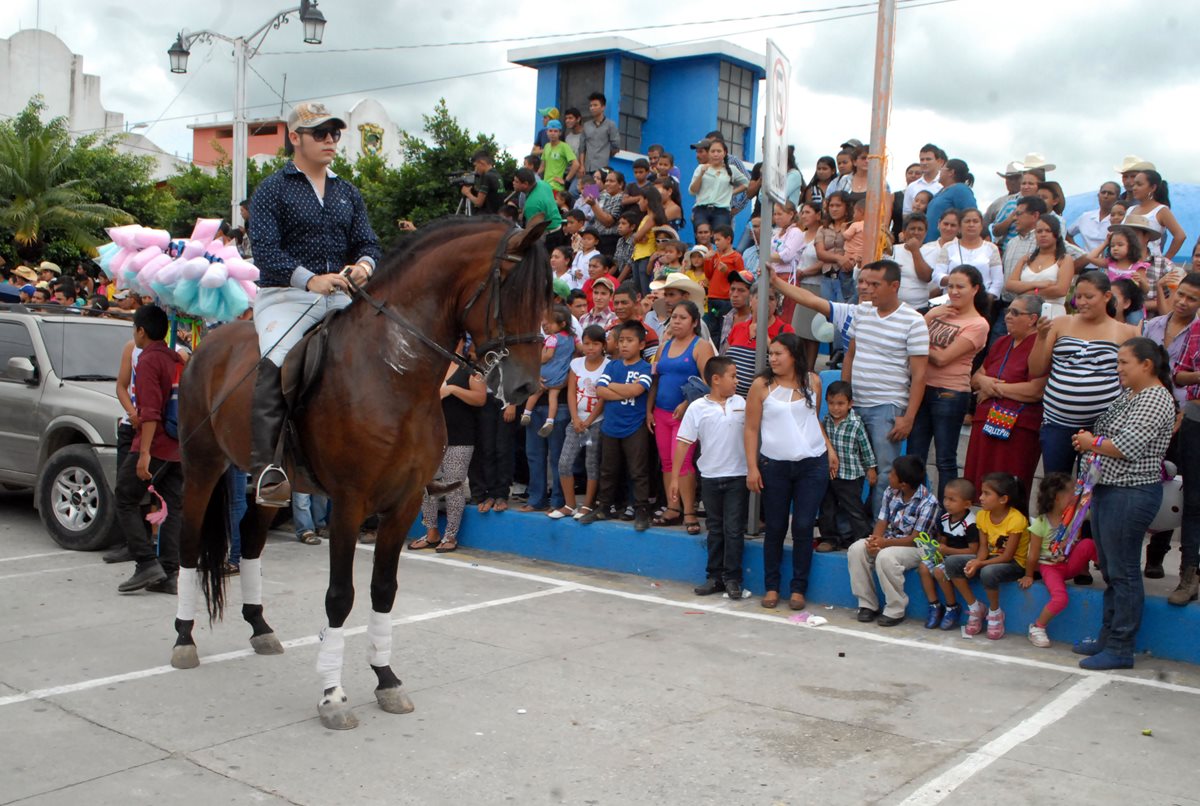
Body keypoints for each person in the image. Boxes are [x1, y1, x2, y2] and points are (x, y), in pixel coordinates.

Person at [247, 102, 381, 507]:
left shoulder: (347, 192)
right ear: (294, 137)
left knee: (385, 351)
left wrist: (364, 265)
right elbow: (266, 252)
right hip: (286, 297)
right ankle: (267, 468)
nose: (329, 141)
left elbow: (368, 242)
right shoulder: (272, 188)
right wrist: (311, 279)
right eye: (320, 134)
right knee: (277, 359)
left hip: (341, 296)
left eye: (334, 134)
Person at [1072, 337, 1176, 669]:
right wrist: (1091, 442)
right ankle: (1109, 636)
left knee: (1123, 571)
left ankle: (1120, 646)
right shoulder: (1133, 394)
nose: (1118, 369)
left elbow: (1126, 445)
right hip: (1109, 489)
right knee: (1112, 569)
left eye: (1123, 363)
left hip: (1130, 493)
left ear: (1146, 365)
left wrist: (1092, 442)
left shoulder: (1156, 398)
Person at [745, 333, 834, 610]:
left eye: (778, 354)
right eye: (770, 354)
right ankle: (772, 587)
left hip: (812, 464)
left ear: (794, 355)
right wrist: (751, 467)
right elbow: (750, 428)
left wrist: (829, 449)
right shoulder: (761, 386)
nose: (772, 359)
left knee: (804, 525)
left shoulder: (813, 381)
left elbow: (813, 420)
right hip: (775, 465)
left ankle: (799, 588)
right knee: (774, 526)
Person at [843, 259, 930, 515]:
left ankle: (876, 528)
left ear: (894, 286)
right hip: (855, 404)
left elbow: (920, 374)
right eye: (865, 282)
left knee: (884, 473)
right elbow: (850, 355)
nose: (867, 288)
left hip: (887, 406)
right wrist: (846, 397)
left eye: (875, 284)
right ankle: (847, 527)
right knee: (851, 470)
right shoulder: (862, 311)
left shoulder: (913, 321)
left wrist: (908, 417)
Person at [1031, 271, 1139, 475]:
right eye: (1078, 297)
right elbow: (1036, 369)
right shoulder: (1061, 323)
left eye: (1089, 297)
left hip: (1101, 425)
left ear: (1107, 296)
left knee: (1091, 488)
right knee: (1055, 484)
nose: (1082, 302)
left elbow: (1135, 380)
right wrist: (1040, 337)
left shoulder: (1127, 331)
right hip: (1057, 422)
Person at [114, 305, 184, 594]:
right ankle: (169, 573)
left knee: (125, 497)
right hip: (177, 446)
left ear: (141, 331)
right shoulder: (177, 359)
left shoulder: (148, 361)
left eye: (134, 329)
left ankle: (145, 562)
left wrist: (144, 454)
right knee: (173, 508)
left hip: (154, 444)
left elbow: (151, 412)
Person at [909, 265, 989, 498]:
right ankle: (917, 509)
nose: (953, 291)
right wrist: (929, 317)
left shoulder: (979, 324)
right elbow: (911, 339)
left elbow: (943, 358)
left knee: (945, 458)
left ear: (975, 289)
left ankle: (947, 516)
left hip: (950, 393)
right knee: (915, 456)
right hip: (923, 387)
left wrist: (920, 344)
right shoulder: (939, 312)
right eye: (950, 286)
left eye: (960, 287)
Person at [672, 357, 748, 598]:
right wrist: (675, 477)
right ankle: (714, 576)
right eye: (733, 376)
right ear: (716, 379)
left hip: (737, 476)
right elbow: (683, 444)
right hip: (711, 477)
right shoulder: (697, 408)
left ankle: (733, 578)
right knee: (715, 528)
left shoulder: (742, 403)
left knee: (734, 529)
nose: (737, 381)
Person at [964, 294, 1047, 499]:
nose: (1008, 316)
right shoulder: (1002, 342)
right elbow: (976, 377)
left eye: (1015, 312)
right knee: (978, 480)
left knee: (1006, 486)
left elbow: (1035, 390)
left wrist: (994, 387)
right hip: (986, 421)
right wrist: (985, 382)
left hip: (1017, 427)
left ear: (1033, 319)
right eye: (1008, 311)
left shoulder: (1040, 345)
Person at [847, 454, 940, 626]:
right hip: (891, 540)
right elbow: (882, 520)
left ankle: (895, 609)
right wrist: (875, 541)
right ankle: (867, 605)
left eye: (893, 474)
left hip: (920, 548)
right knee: (856, 549)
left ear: (903, 483)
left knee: (886, 557)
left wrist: (884, 544)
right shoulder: (891, 491)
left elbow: (915, 539)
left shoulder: (929, 502)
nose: (889, 476)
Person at [579, 321, 654, 531]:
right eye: (621, 340)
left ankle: (641, 510)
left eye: (629, 341)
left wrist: (613, 387)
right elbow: (600, 391)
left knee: (638, 471)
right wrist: (624, 389)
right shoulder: (612, 365)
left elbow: (637, 391)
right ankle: (603, 506)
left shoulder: (645, 367)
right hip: (610, 425)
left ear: (641, 344)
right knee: (607, 470)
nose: (624, 345)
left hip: (634, 426)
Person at [647, 301, 713, 533]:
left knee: (683, 462)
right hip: (661, 413)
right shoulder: (663, 346)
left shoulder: (700, 346)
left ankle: (689, 512)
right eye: (674, 316)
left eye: (682, 317)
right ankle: (673, 507)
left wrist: (686, 404)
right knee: (666, 462)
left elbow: (708, 381)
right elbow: (655, 380)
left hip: (686, 415)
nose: (676, 321)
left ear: (694, 322)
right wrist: (649, 410)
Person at [942, 472, 1030, 640]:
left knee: (988, 572)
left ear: (1003, 499)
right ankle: (975, 607)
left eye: (987, 494)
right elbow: (983, 548)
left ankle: (995, 612)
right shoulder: (982, 515)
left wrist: (980, 564)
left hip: (1013, 563)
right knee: (952, 563)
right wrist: (977, 560)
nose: (981, 497)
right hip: (990, 558)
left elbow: (1007, 556)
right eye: (982, 492)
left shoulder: (1016, 520)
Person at [1022, 472, 1098, 648]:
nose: (1076, 495)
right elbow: (1032, 555)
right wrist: (1028, 575)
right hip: (1050, 568)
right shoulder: (1040, 523)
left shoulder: (1073, 517)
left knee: (1088, 544)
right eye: (1072, 492)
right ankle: (1037, 627)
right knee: (1060, 599)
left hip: (1069, 565)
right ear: (1057, 498)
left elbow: (1088, 505)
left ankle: (1110, 572)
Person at [552, 325, 607, 521]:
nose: (590, 347)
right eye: (586, 343)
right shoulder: (576, 364)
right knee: (564, 462)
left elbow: (603, 398)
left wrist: (589, 420)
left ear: (603, 345)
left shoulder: (608, 365)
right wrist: (575, 418)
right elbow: (571, 392)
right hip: (576, 422)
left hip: (597, 422)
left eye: (595, 343)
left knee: (591, 464)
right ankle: (569, 504)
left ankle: (587, 505)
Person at [816, 380, 877, 552]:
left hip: (851, 476)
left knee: (853, 509)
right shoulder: (826, 422)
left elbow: (865, 448)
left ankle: (862, 539)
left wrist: (870, 469)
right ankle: (830, 539)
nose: (836, 408)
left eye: (841, 403)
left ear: (851, 404)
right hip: (831, 474)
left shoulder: (856, 424)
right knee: (827, 508)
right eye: (831, 403)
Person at [916, 478, 979, 630]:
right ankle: (935, 605)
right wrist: (933, 548)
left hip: (961, 559)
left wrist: (947, 550)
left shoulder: (971, 524)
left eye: (952, 500)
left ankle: (952, 607)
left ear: (967, 504)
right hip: (945, 556)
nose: (947, 503)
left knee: (939, 571)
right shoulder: (944, 519)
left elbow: (973, 551)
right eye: (945, 498)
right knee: (923, 567)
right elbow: (942, 542)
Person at [994, 195, 1047, 336]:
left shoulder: (1044, 242)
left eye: (1018, 214)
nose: (1014, 218)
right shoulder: (1011, 243)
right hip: (1006, 306)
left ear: (1035, 215)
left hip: (1028, 311)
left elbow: (1080, 256)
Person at [520, 305, 575, 440]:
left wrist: (537, 359)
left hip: (546, 373)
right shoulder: (572, 339)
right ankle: (550, 421)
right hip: (560, 377)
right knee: (553, 398)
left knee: (535, 393)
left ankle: (526, 413)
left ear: (562, 324)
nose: (545, 324)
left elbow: (548, 355)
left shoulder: (552, 338)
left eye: (550, 322)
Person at [1005, 215, 1075, 319]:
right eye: (1039, 231)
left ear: (1057, 234)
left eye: (1048, 231)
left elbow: (1061, 290)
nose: (1043, 235)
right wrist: (1038, 284)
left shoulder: (1064, 259)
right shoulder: (1027, 258)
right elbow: (1010, 285)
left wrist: (1027, 292)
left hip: (1053, 313)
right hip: (1024, 315)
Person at [932, 208, 1004, 299]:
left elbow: (998, 280)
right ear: (960, 226)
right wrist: (957, 281)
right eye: (967, 221)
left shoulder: (991, 248)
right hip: (952, 299)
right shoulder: (948, 247)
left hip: (982, 301)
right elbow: (937, 275)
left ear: (981, 226)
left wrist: (988, 299)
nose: (971, 225)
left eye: (975, 221)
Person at [688, 139, 749, 233]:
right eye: (712, 151)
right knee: (702, 236)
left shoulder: (731, 169)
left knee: (720, 238)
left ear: (724, 153)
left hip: (721, 211)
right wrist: (701, 174)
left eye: (719, 151)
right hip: (702, 210)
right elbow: (692, 191)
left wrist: (731, 193)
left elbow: (746, 183)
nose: (715, 154)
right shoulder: (701, 168)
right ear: (708, 153)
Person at [1125, 169, 1187, 260]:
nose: (1134, 188)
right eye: (1134, 184)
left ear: (1153, 188)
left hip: (1149, 263)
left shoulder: (1161, 210)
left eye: (1139, 184)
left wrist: (1166, 260)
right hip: (1127, 261)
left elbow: (1180, 236)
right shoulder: (1131, 209)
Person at [814, 191, 855, 305]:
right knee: (827, 316)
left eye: (838, 205)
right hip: (827, 278)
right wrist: (839, 258)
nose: (834, 209)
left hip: (846, 278)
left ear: (847, 207)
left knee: (844, 314)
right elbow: (820, 253)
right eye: (831, 205)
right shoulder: (823, 229)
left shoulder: (853, 227)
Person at [922, 159, 977, 243]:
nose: (940, 171)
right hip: (931, 246)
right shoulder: (941, 191)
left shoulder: (961, 190)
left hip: (947, 246)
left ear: (951, 172)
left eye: (942, 168)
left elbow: (971, 216)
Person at [889, 213, 935, 312]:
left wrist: (915, 251)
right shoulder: (894, 250)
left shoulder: (932, 250)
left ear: (925, 233)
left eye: (920, 229)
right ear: (904, 232)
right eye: (912, 229)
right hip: (893, 307)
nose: (916, 232)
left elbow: (926, 277)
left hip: (919, 309)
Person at [511, 168, 563, 241]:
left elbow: (534, 231)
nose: (513, 183)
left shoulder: (532, 205)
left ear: (525, 184)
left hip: (548, 235)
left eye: (516, 181)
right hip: (558, 227)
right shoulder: (543, 184)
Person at [1068, 181, 1120, 252]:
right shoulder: (1085, 217)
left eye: (1110, 193)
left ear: (1117, 198)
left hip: (1109, 262)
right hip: (1086, 262)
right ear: (1098, 195)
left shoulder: (1118, 220)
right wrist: (1080, 252)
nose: (1106, 196)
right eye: (1103, 192)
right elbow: (1067, 234)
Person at [578, 92, 620, 176]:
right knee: (588, 189)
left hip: (602, 169)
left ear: (603, 107)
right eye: (591, 106)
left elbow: (616, 146)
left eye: (595, 105)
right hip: (587, 169)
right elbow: (582, 148)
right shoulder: (586, 126)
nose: (592, 108)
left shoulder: (610, 125)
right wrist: (582, 166)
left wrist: (606, 154)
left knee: (600, 188)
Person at [586, 170, 626, 256]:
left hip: (609, 241)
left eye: (611, 181)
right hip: (598, 238)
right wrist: (589, 185)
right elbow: (587, 192)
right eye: (606, 181)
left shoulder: (621, 198)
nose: (607, 183)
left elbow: (608, 222)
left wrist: (593, 205)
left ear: (620, 184)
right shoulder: (605, 195)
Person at [903, 143, 945, 214]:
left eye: (928, 159)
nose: (924, 163)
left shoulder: (944, 185)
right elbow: (906, 214)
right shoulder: (912, 186)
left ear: (939, 161)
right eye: (922, 160)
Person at [461, 150, 504, 215]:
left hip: (488, 219)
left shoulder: (487, 176)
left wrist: (467, 193)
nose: (475, 169)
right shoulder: (497, 175)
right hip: (498, 217)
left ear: (482, 162)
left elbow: (479, 203)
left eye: (475, 165)